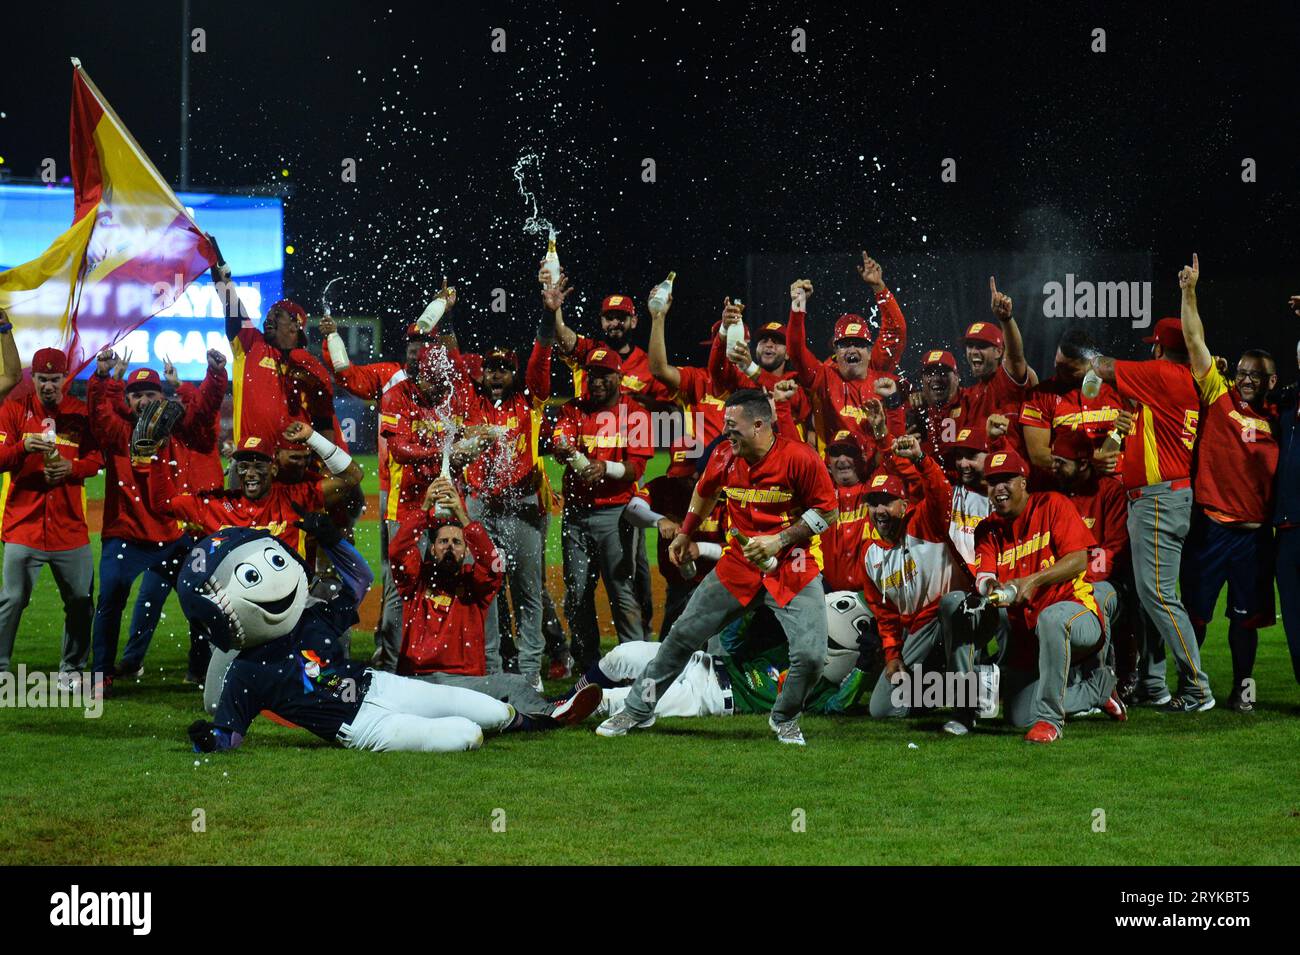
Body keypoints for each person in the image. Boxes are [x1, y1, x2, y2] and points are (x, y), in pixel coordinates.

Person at [595, 389, 839, 745]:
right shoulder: (724, 455)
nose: (725, 431)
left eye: (732, 424)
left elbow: (828, 512)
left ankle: (785, 717)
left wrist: (780, 540)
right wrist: (685, 533)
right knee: (679, 639)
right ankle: (638, 708)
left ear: (759, 425)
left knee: (812, 656)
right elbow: (705, 492)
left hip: (792, 566)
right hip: (738, 566)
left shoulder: (800, 458)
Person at [181, 525, 558, 754]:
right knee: (467, 735)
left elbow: (360, 581)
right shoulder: (244, 671)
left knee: (491, 711)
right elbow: (228, 735)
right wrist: (207, 741)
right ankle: (527, 719)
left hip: (381, 685)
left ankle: (532, 723)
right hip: (359, 728)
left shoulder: (311, 620)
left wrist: (333, 541)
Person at [1084, 255, 1213, 712]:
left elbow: (1102, 367)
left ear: (1160, 349)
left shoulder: (1163, 375)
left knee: (1158, 596)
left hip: (1159, 500)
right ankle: (1154, 683)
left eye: (1152, 346)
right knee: (1150, 596)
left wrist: (1086, 360)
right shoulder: (1175, 384)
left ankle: (1197, 687)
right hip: (1164, 498)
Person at [85, 346, 228, 688]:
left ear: (162, 399)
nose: (144, 401)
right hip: (126, 536)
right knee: (111, 598)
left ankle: (200, 669)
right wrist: (105, 377)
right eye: (136, 396)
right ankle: (103, 673)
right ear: (127, 400)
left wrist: (215, 375)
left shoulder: (177, 432)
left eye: (151, 394)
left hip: (172, 536)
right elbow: (100, 413)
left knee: (201, 598)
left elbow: (205, 411)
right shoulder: (119, 434)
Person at [962, 450, 1124, 742]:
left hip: (1077, 615)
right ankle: (1095, 690)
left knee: (1051, 618)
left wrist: (1033, 580)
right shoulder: (987, 529)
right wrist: (990, 588)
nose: (999, 487)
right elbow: (984, 575)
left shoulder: (1052, 504)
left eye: (1007, 479)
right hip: (1030, 637)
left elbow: (1078, 559)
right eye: (992, 481)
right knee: (1019, 716)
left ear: (1023, 482)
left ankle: (1050, 721)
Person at [1178, 262, 1279, 713]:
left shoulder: (1282, 421)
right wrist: (1190, 292)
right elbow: (1195, 341)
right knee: (1195, 616)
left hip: (1255, 538)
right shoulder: (1218, 396)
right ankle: (1192, 687)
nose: (1245, 379)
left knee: (1246, 620)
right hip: (1212, 529)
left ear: (1271, 382)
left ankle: (1244, 689)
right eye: (1241, 371)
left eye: (1255, 375)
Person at [322, 316, 436, 671]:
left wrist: (445, 307)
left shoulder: (449, 382)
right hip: (399, 495)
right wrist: (333, 338)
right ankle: (388, 657)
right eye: (412, 348)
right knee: (397, 580)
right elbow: (345, 374)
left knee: (439, 576)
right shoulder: (390, 377)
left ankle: (431, 653)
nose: (417, 354)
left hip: (445, 495)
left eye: (424, 347)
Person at [458, 283, 556, 685]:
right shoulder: (471, 402)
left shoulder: (529, 400)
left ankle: (531, 671)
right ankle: (493, 668)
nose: (497, 374)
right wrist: (447, 313)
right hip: (482, 507)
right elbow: (450, 355)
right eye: (491, 368)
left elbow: (542, 354)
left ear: (515, 374)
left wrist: (549, 314)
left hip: (523, 505)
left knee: (527, 589)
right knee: (488, 587)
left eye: (504, 368)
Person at [860, 436, 981, 730]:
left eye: (887, 502)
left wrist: (921, 460)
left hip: (954, 616)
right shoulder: (870, 556)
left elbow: (939, 490)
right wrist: (892, 656)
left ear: (904, 504)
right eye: (873, 503)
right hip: (918, 631)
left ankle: (967, 706)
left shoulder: (925, 521)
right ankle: (951, 691)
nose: (879, 511)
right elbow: (884, 615)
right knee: (882, 708)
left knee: (951, 606)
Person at [0, 347, 102, 681]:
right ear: (34, 378)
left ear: (65, 378)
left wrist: (72, 468)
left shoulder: (80, 414)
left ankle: (71, 671)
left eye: (54, 379)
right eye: (42, 379)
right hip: (23, 526)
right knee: (12, 600)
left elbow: (97, 460)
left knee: (81, 601)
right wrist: (22, 448)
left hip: (69, 530)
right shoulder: (15, 410)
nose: (48, 385)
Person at [550, 344, 654, 669]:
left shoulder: (635, 413)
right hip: (577, 515)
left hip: (616, 514)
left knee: (622, 592)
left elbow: (637, 467)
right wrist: (563, 447)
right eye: (592, 375)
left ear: (618, 377)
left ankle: (636, 669)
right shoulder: (572, 410)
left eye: (604, 375)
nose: (596, 382)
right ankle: (588, 669)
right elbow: (560, 440)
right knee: (577, 592)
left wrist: (605, 468)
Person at [140, 422, 363, 557]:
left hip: (286, 606)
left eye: (259, 465)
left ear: (274, 469)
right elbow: (163, 504)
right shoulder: (215, 505)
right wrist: (157, 453)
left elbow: (353, 476)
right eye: (244, 466)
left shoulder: (295, 498)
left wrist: (313, 438)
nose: (251, 473)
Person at [209, 238, 340, 447]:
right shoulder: (251, 343)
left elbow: (324, 422)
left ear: (295, 326)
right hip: (250, 462)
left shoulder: (309, 366)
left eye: (277, 315)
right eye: (268, 314)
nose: (268, 319)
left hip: (293, 465)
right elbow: (229, 301)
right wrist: (216, 266)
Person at [783, 255, 908, 457]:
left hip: (878, 476)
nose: (851, 349)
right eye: (844, 345)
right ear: (835, 351)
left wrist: (879, 288)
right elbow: (796, 351)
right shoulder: (824, 378)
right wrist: (798, 307)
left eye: (858, 344)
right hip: (835, 474)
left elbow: (896, 331)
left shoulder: (879, 369)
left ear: (869, 351)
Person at [1049, 427, 1134, 695]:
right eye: (1053, 460)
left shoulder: (1110, 491)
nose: (1053, 467)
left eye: (1061, 463)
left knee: (1093, 598)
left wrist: (1076, 578)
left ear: (1083, 464)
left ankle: (1099, 681)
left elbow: (1114, 549)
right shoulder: (1054, 494)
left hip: (1108, 585)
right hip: (1065, 581)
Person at [1020, 329, 1126, 475]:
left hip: (1117, 483)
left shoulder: (1119, 389)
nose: (1060, 372)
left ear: (1092, 363)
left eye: (1069, 370)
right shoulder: (1038, 396)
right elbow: (1038, 455)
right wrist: (1086, 459)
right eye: (1058, 365)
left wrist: (1120, 460)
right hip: (1065, 487)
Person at [953, 277, 1035, 441]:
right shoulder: (969, 394)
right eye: (970, 346)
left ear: (999, 352)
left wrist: (1006, 319)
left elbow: (1015, 356)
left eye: (981, 346)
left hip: (1011, 465)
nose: (973, 352)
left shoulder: (1007, 379)